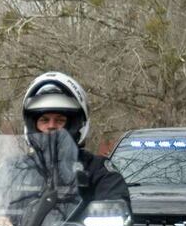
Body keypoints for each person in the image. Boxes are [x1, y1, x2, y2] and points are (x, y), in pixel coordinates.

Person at [23, 72, 128, 216]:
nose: (51, 126)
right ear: (31, 125)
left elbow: (117, 203)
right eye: (44, 120)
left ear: (76, 125)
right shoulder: (15, 170)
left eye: (60, 120)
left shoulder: (98, 170)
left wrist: (110, 211)